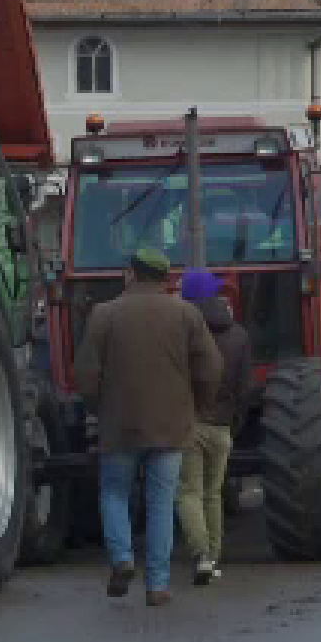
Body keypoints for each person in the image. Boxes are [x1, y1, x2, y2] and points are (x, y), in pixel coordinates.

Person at [74, 247, 222, 606]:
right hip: (172, 427)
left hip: (119, 425)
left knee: (114, 494)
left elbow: (86, 374)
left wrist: (99, 408)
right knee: (161, 504)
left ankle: (123, 558)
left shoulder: (104, 315)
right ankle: (157, 586)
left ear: (130, 274)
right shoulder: (186, 314)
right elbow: (211, 369)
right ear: (167, 278)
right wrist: (195, 408)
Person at [176, 269, 250, 587]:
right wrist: (233, 423)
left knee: (188, 493)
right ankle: (215, 557)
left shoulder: (182, 335)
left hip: (189, 424)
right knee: (213, 493)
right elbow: (245, 389)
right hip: (222, 428)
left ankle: (201, 555)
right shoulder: (239, 336)